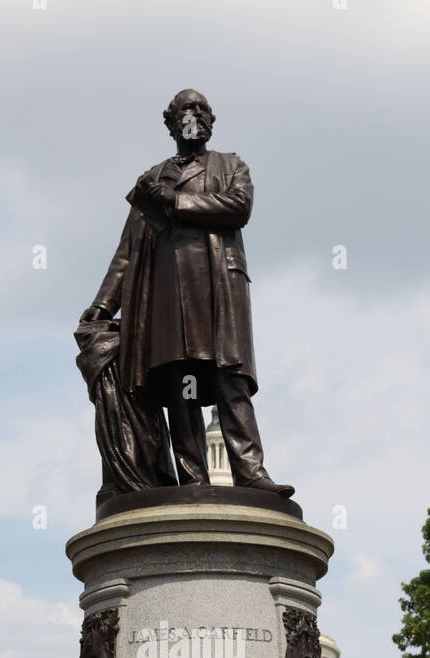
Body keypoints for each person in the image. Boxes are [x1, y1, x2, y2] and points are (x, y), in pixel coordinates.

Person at [81, 89, 294, 497]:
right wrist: (102, 304)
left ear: (212, 121)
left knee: (229, 378)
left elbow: (238, 207)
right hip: (165, 297)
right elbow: (127, 252)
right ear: (170, 122)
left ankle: (250, 472)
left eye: (202, 109)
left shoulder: (231, 165)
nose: (195, 115)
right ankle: (193, 479)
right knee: (182, 384)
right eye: (186, 109)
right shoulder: (152, 180)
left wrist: (175, 201)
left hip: (216, 289)